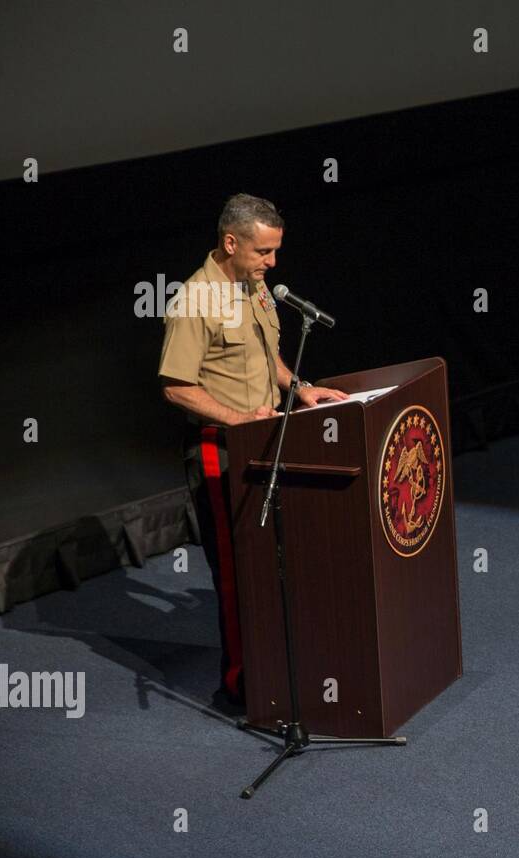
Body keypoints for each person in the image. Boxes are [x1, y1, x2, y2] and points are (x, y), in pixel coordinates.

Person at [158, 193, 347, 707]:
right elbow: (176, 387)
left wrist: (299, 387)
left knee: (273, 560)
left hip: (265, 439)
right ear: (230, 241)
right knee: (238, 568)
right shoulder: (196, 300)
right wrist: (240, 418)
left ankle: (281, 665)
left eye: (275, 251)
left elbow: (268, 355)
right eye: (264, 251)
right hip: (221, 448)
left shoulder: (256, 285)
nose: (272, 262)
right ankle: (241, 683)